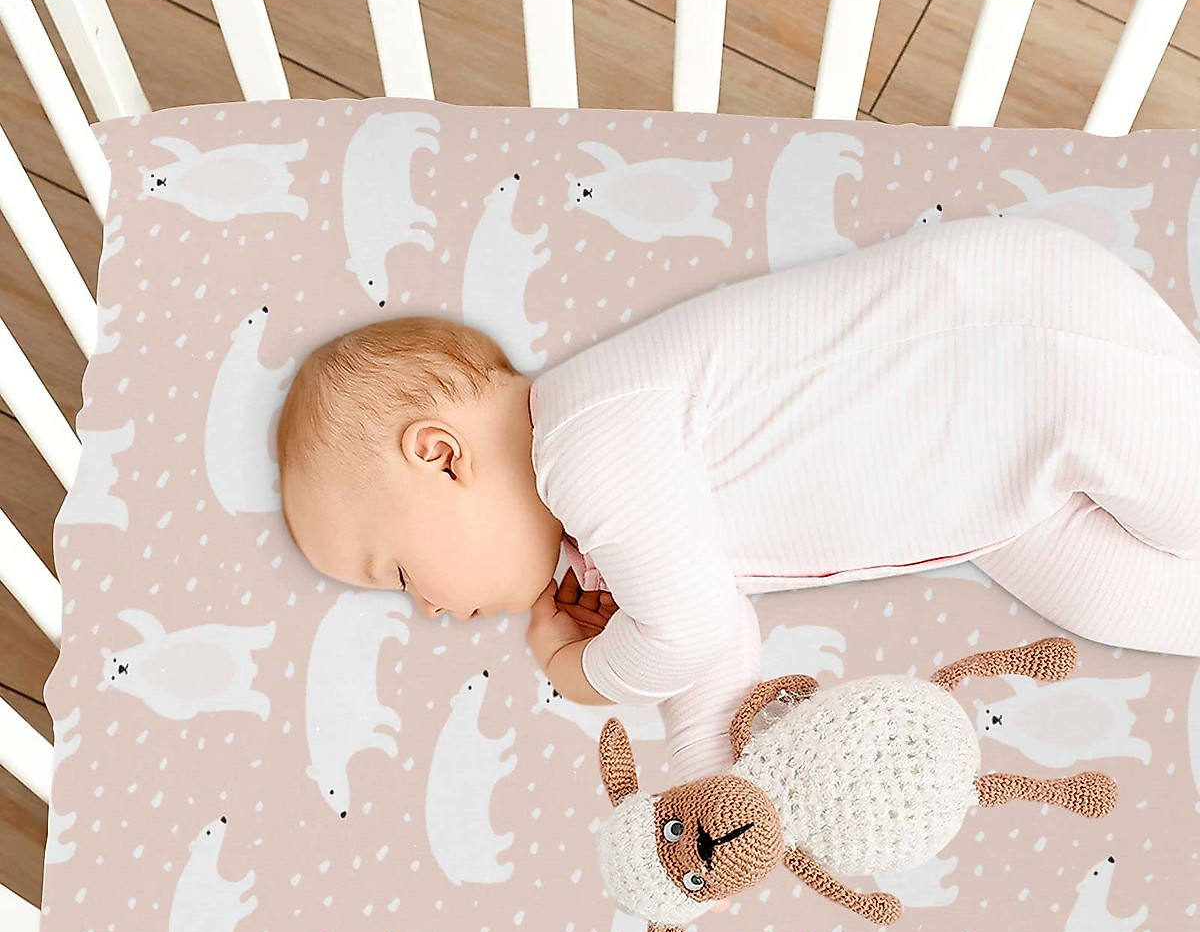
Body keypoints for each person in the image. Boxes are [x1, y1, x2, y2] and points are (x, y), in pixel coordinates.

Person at [277, 217, 1200, 777]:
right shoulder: (594, 532)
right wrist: (704, 781)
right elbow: (713, 638)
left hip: (1035, 353)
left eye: (401, 574)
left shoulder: (586, 437)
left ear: (441, 455)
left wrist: (584, 675)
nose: (430, 611)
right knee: (1110, 599)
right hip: (993, 490)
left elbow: (685, 629)